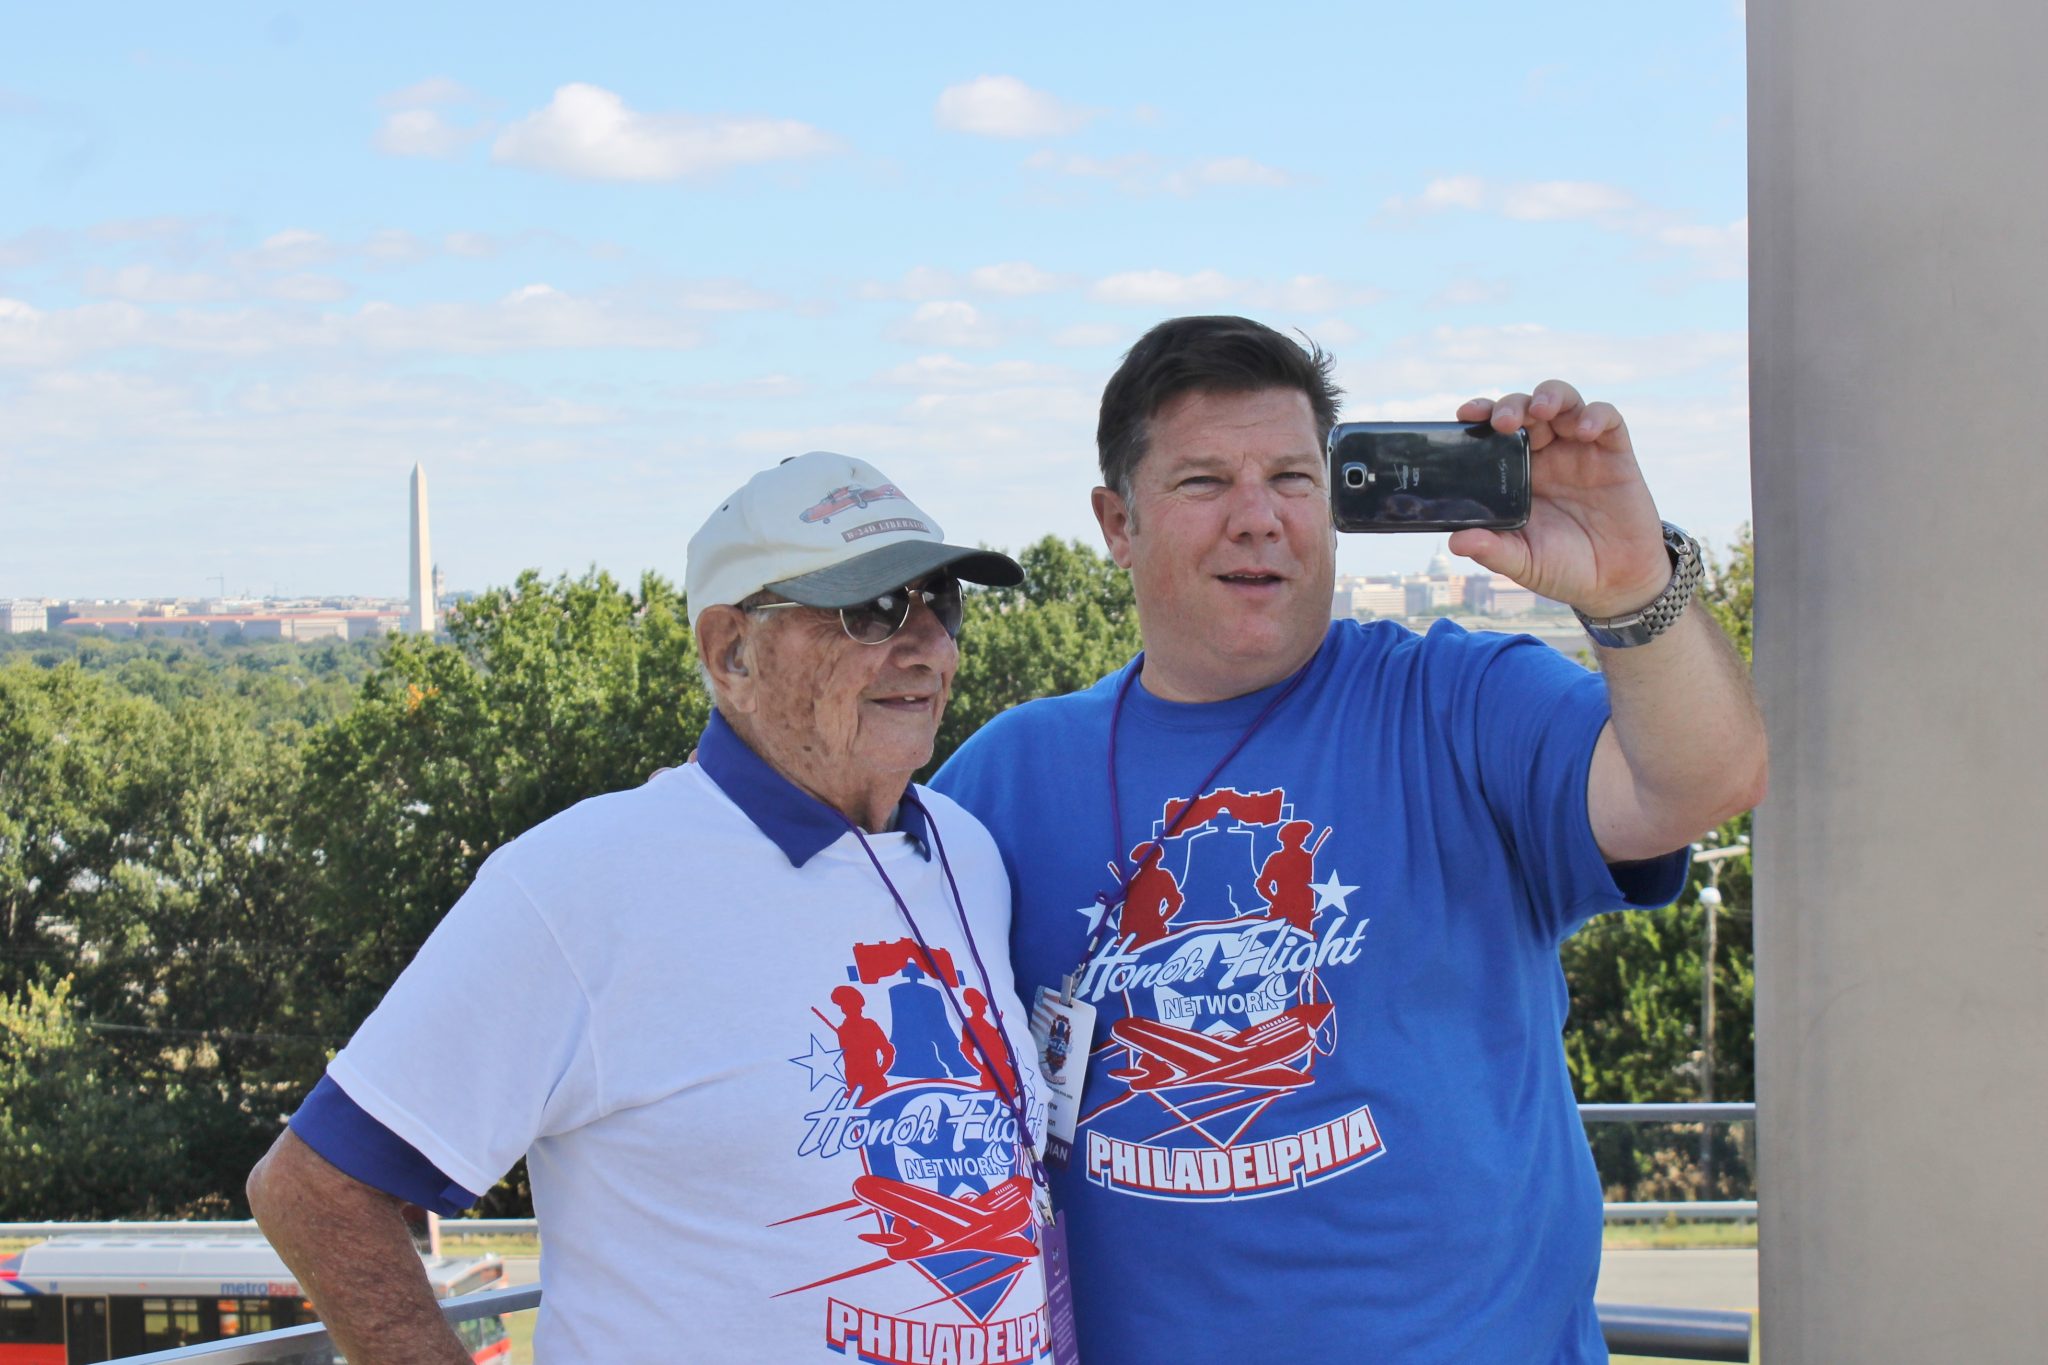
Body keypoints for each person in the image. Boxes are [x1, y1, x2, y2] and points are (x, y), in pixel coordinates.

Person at [932, 315, 1768, 1362]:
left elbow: (1702, 781)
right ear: (1116, 521)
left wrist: (1631, 584)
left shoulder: (1453, 704)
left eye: (1290, 476)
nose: (1257, 520)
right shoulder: (1005, 777)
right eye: (1201, 484)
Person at [248, 452, 1056, 1365]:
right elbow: (313, 1188)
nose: (923, 645)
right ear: (731, 649)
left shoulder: (964, 852)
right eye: (868, 610)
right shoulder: (583, 883)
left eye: (939, 603)